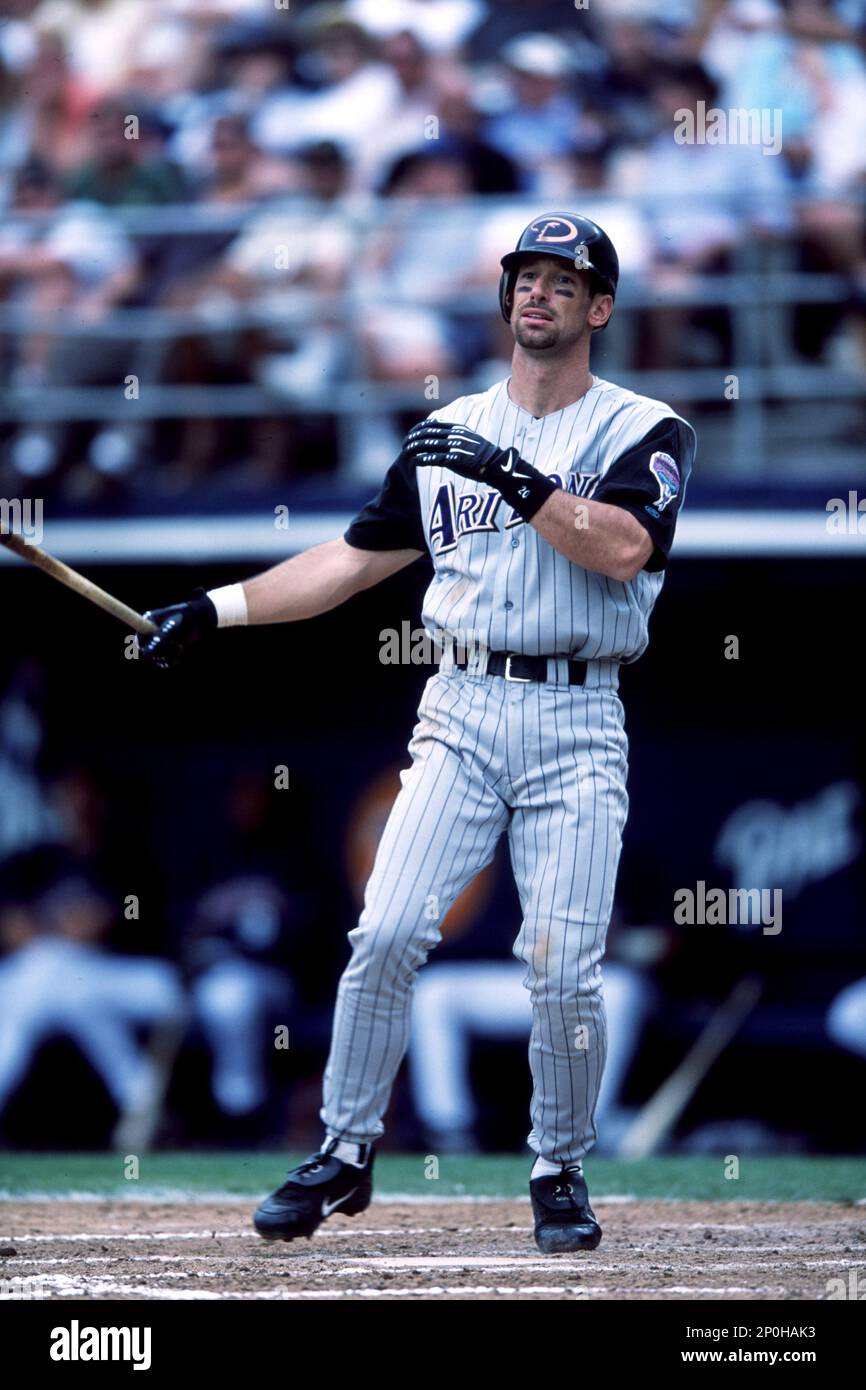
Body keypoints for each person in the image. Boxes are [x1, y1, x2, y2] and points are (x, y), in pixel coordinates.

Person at [139, 210, 696, 1255]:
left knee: (564, 964)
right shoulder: (445, 429)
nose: (537, 293)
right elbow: (350, 562)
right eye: (524, 278)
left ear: (598, 308)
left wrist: (515, 480)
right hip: (461, 706)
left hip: (577, 709)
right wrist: (213, 607)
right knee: (386, 930)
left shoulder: (643, 427)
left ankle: (558, 1166)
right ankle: (344, 1151)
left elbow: (622, 548)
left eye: (561, 282)